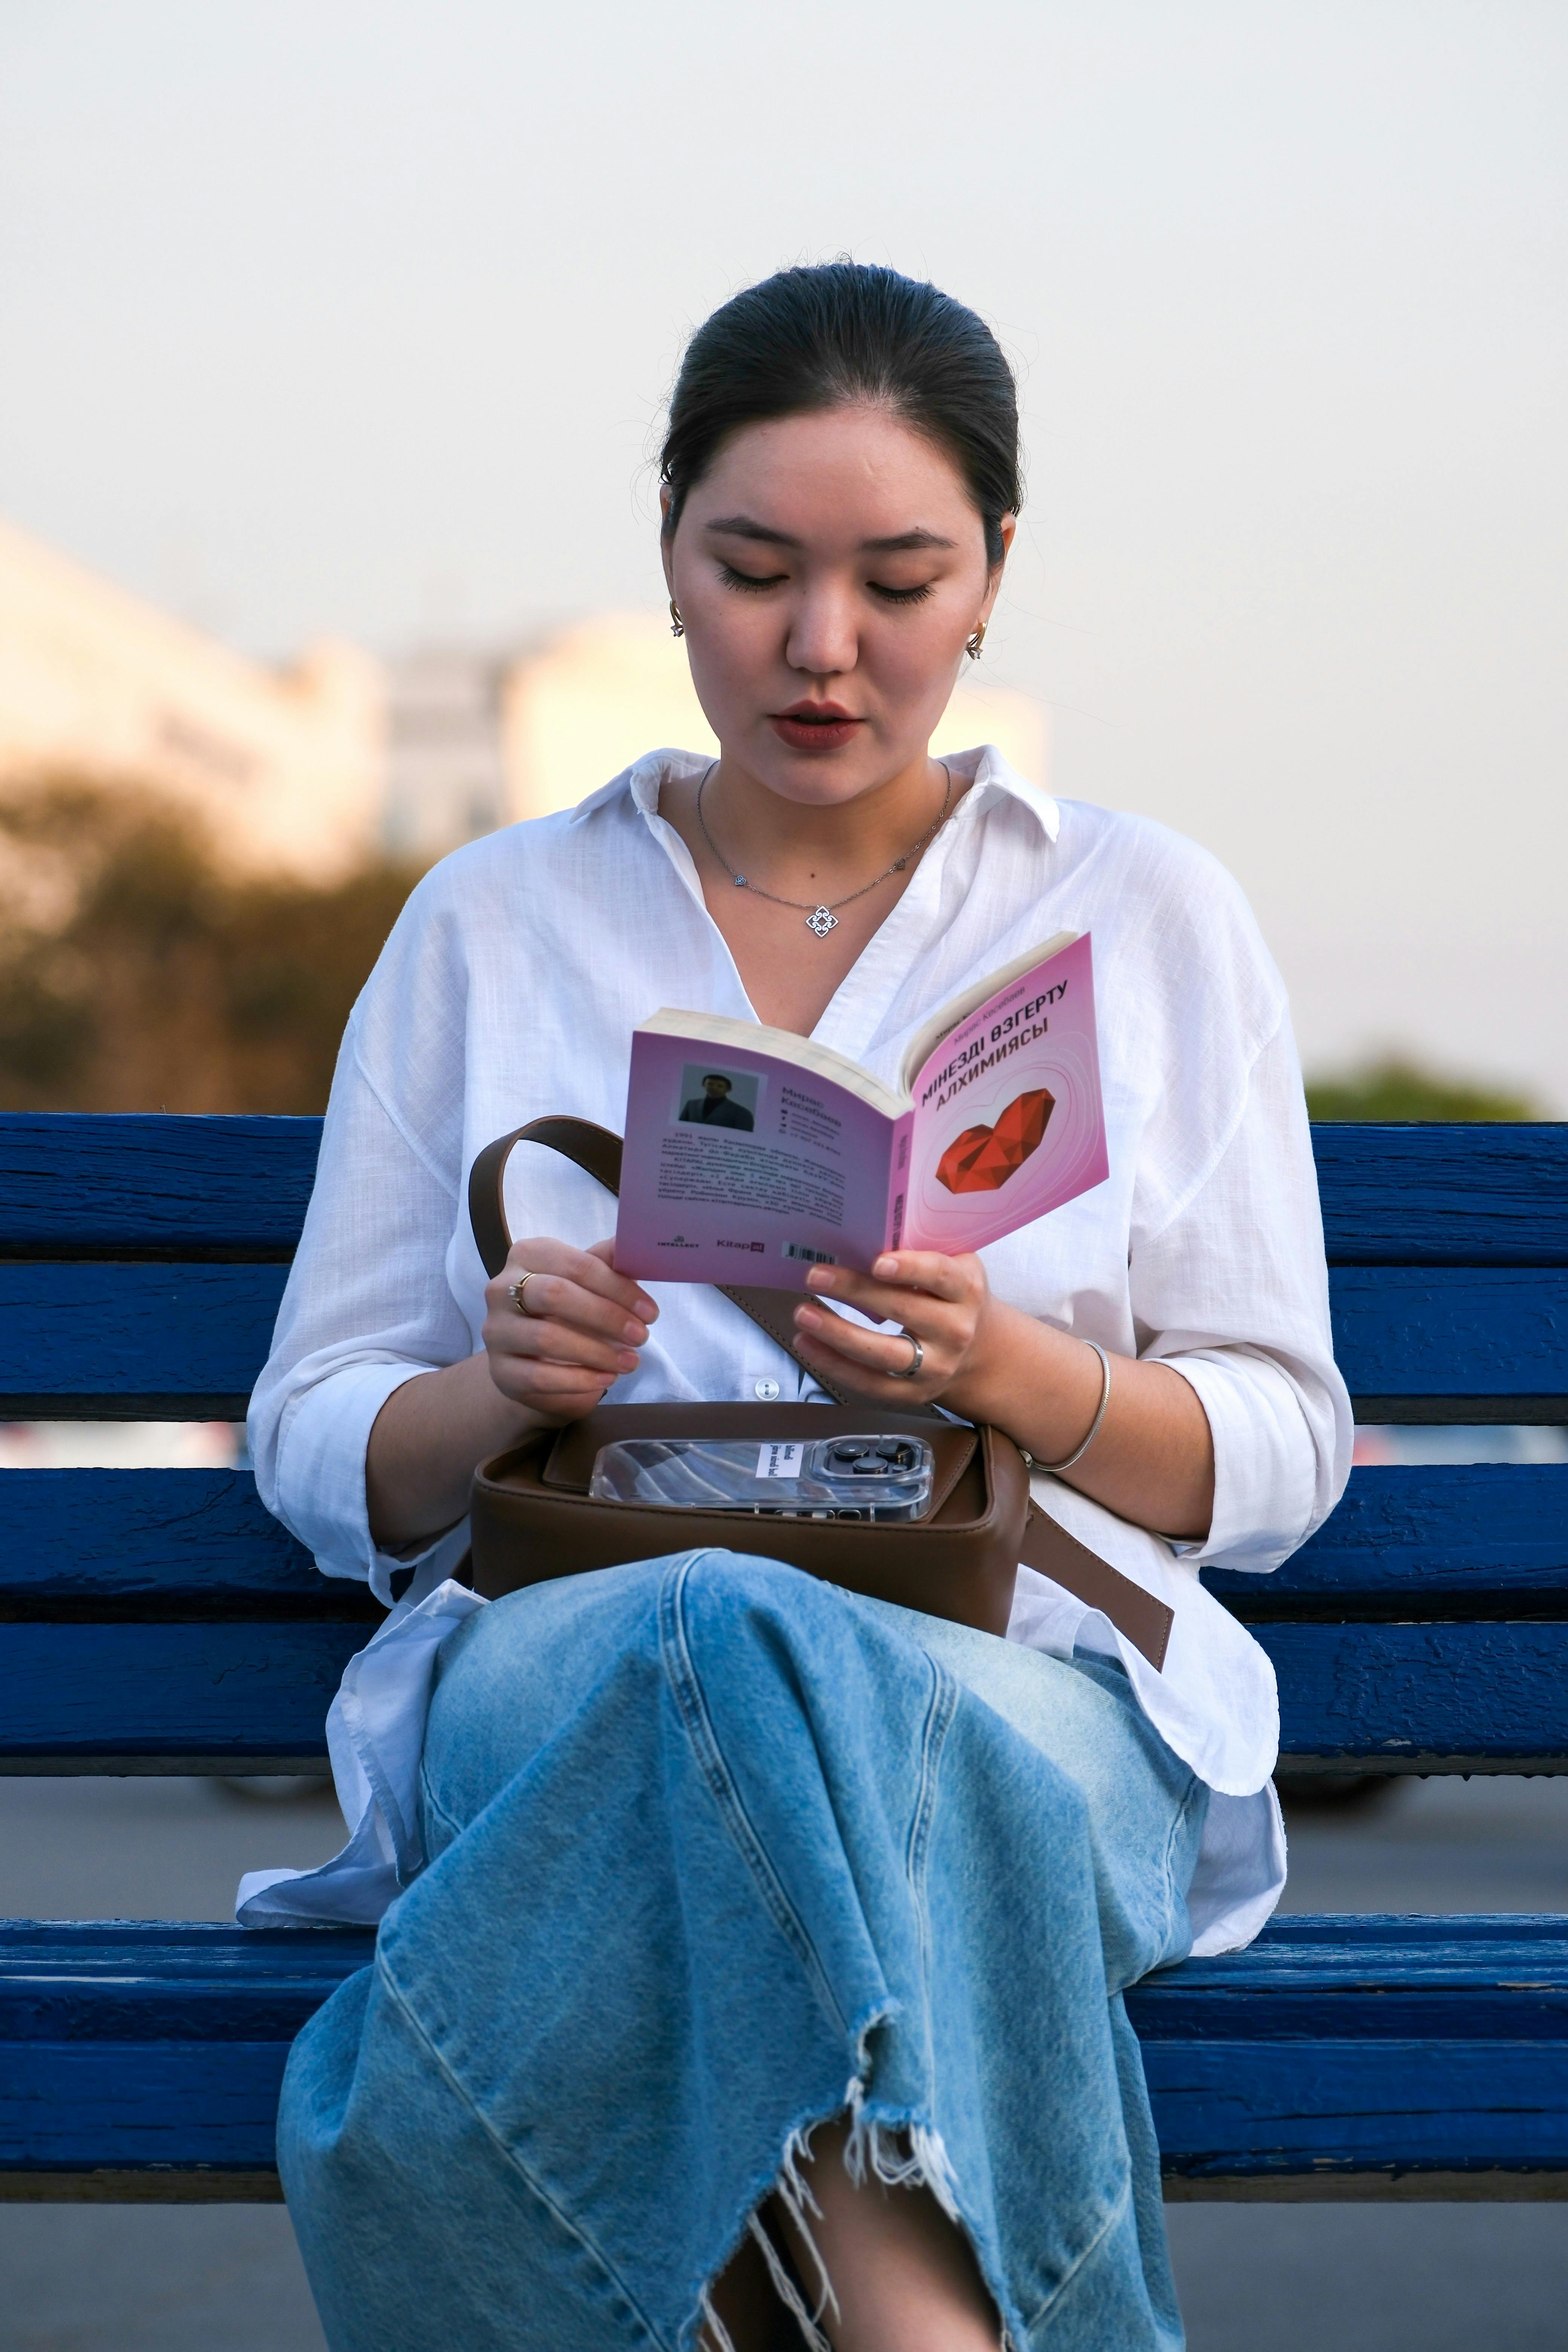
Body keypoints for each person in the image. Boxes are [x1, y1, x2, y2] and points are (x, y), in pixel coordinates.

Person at [244, 262, 1350, 2352]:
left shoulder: (1141, 911)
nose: (820, 645)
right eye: (752, 570)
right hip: (570, 1657)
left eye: (897, 578)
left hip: (1022, 1681)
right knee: (725, 1642)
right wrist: (491, 1391)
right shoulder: (492, 920)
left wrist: (1014, 1374)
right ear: (666, 553)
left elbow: (1278, 1448)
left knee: (812, 1724)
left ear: (993, 575)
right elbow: (315, 1434)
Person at [681, 1071, 755, 1130]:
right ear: (704, 1085)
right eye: (710, 1084)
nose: (714, 1088)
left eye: (720, 1086)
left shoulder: (742, 1112)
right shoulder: (691, 1105)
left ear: (729, 1090)